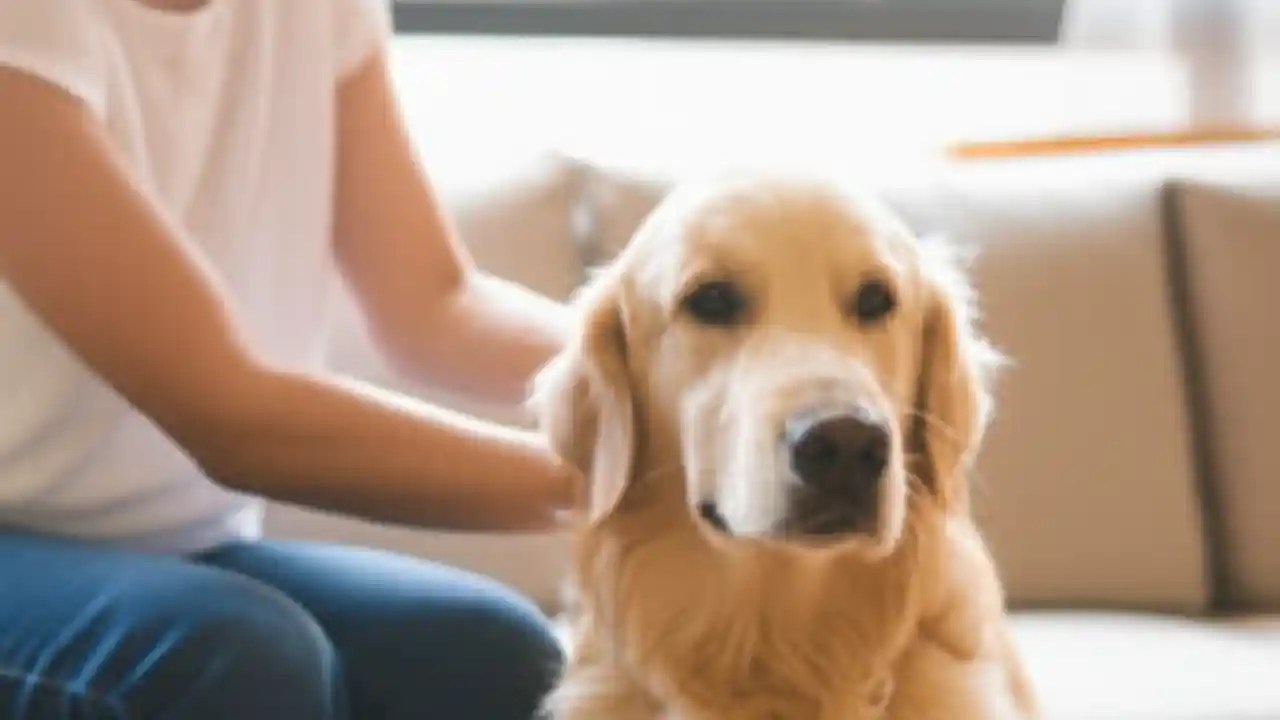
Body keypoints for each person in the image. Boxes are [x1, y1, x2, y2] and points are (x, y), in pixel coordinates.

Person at [0, 0, 582, 717]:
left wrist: (678, 374)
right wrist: (613, 481)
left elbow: (436, 307)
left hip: (175, 546)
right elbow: (232, 419)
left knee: (495, 656)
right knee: (237, 658)